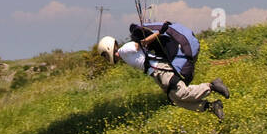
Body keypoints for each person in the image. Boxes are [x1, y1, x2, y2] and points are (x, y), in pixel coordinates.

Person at [97, 25, 230, 119]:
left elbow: (141, 43)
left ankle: (212, 85)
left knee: (181, 92)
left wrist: (159, 32)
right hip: (156, 73)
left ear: (107, 48)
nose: (105, 58)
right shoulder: (124, 56)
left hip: (160, 69)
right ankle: (211, 106)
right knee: (175, 99)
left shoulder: (124, 50)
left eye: (104, 55)